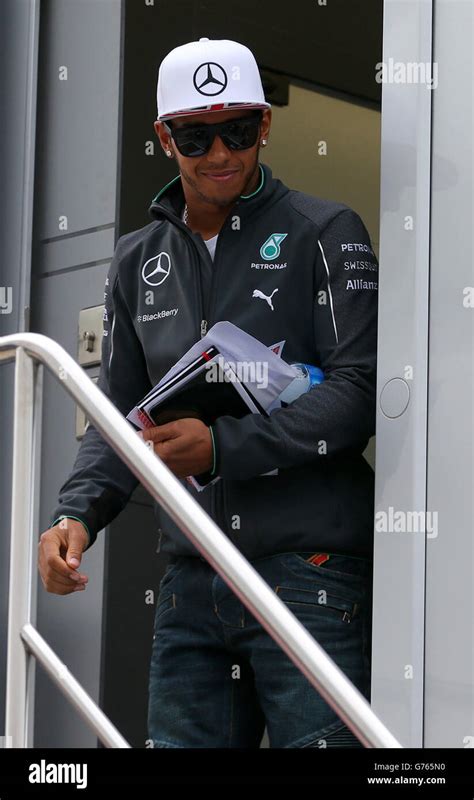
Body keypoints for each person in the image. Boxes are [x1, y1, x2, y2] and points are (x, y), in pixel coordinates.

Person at [38, 37, 379, 749]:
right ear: (165, 137)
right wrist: (77, 515)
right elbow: (115, 413)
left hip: (309, 569)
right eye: (197, 134)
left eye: (239, 128)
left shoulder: (327, 230)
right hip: (194, 575)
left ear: (266, 124)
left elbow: (358, 393)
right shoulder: (137, 259)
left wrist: (222, 447)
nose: (221, 151)